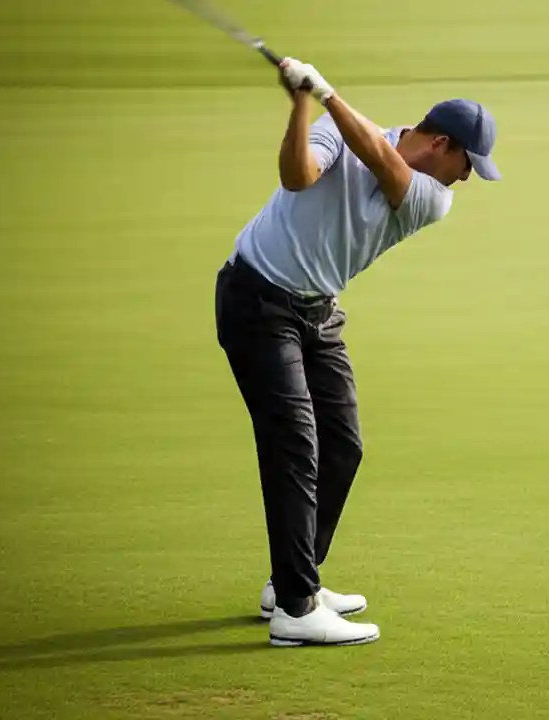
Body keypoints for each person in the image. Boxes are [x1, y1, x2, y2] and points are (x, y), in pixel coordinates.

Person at [214, 58, 500, 647]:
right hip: (257, 301)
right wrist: (302, 103)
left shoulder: (429, 197)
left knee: (343, 446)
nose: (466, 180)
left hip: (316, 312)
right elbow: (297, 177)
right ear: (443, 145)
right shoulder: (332, 131)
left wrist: (327, 94)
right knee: (294, 443)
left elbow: (385, 165)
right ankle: (295, 610)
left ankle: (294, 581)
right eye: (467, 165)